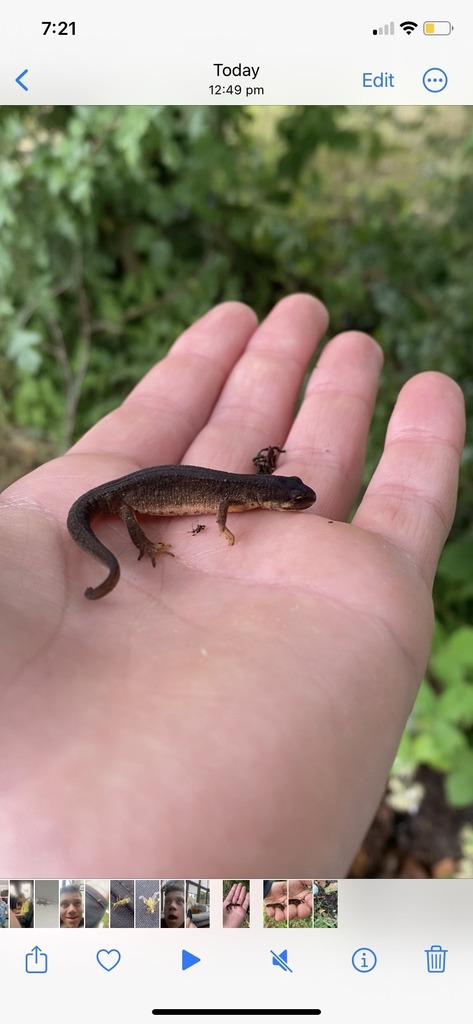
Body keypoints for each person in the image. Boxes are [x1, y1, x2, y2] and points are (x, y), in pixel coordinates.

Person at [0, 295, 465, 877]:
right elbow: (220, 505)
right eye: (293, 500)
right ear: (271, 499)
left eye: (295, 498)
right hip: (123, 498)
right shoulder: (227, 497)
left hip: (139, 489)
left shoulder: (249, 491)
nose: (300, 504)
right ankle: (128, 556)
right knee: (137, 530)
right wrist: (153, 543)